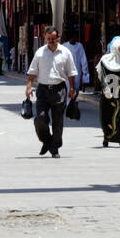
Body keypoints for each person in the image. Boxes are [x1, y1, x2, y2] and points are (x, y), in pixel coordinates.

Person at [25, 27, 78, 158]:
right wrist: (29, 86)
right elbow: (32, 71)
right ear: (45, 38)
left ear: (58, 37)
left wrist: (72, 88)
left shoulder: (65, 52)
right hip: (42, 89)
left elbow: (71, 73)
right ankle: (48, 141)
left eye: (53, 38)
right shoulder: (39, 53)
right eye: (48, 38)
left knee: (58, 121)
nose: (50, 40)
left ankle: (55, 148)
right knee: (40, 118)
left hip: (59, 89)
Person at [95, 36, 120, 148]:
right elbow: (102, 76)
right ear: (115, 46)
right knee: (107, 115)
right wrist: (105, 89)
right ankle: (107, 137)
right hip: (108, 92)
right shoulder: (105, 59)